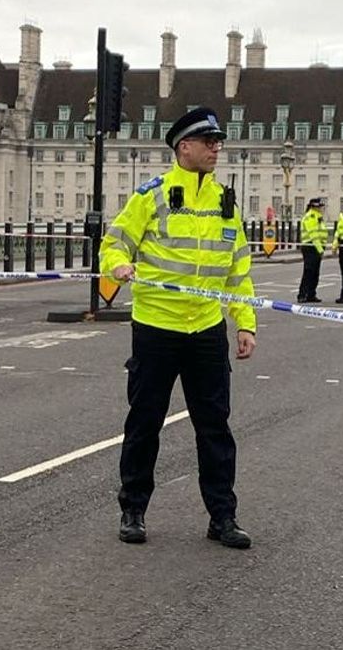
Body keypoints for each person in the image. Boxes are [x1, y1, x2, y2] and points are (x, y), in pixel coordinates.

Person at [100, 106, 257, 550]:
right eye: (208, 142)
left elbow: (238, 272)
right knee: (145, 422)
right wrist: (119, 265)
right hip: (157, 326)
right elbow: (114, 244)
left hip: (206, 330)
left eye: (218, 142)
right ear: (182, 147)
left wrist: (245, 323)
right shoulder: (151, 196)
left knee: (215, 427)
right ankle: (133, 509)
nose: (216, 149)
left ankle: (222, 517)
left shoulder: (225, 202)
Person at [296, 197, 327, 303]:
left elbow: (321, 233)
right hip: (310, 247)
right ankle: (302, 294)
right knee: (308, 271)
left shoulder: (318, 217)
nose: (322, 209)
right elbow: (313, 234)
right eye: (320, 207)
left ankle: (311, 294)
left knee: (315, 272)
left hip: (316, 246)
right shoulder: (311, 216)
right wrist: (320, 249)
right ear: (315, 207)